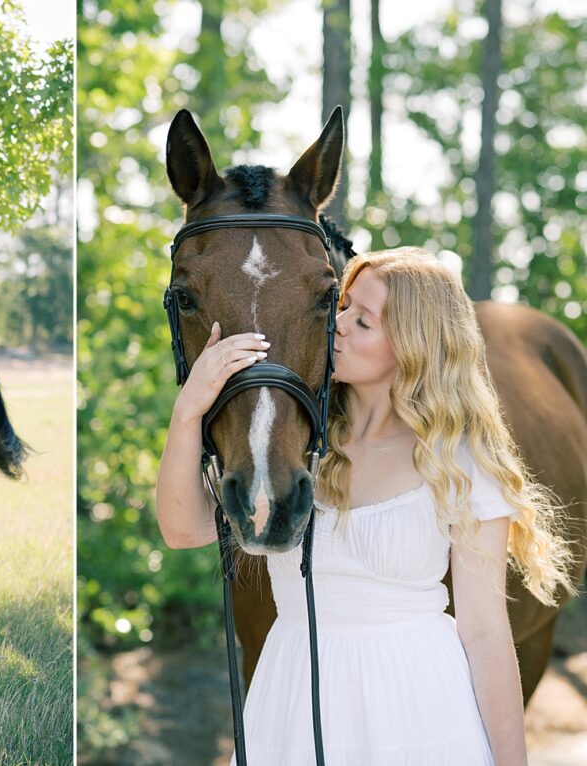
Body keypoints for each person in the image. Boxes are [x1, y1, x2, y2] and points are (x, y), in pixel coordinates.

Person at [156, 248, 574, 765]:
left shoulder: (458, 459)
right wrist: (190, 408)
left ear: (412, 344)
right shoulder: (298, 441)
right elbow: (183, 530)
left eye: (364, 320)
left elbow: (485, 631)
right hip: (292, 700)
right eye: (342, 305)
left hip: (418, 706)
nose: (338, 326)